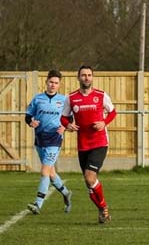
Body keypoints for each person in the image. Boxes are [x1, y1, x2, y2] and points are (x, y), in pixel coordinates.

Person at [61, 65, 116, 224]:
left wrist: (104, 123)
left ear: (92, 77)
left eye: (89, 75)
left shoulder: (101, 95)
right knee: (88, 182)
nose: (86, 78)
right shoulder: (71, 98)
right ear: (78, 78)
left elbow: (112, 112)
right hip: (82, 144)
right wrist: (68, 125)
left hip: (99, 142)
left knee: (90, 177)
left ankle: (103, 207)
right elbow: (64, 118)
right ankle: (102, 210)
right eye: (83, 75)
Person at [25, 70, 72, 214]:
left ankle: (38, 204)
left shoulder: (64, 100)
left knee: (44, 171)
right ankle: (66, 193)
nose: (53, 85)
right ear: (46, 82)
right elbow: (28, 116)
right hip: (40, 139)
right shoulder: (38, 99)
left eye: (56, 83)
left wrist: (64, 127)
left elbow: (69, 118)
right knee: (51, 173)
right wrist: (31, 123)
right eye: (51, 82)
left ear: (59, 85)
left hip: (55, 139)